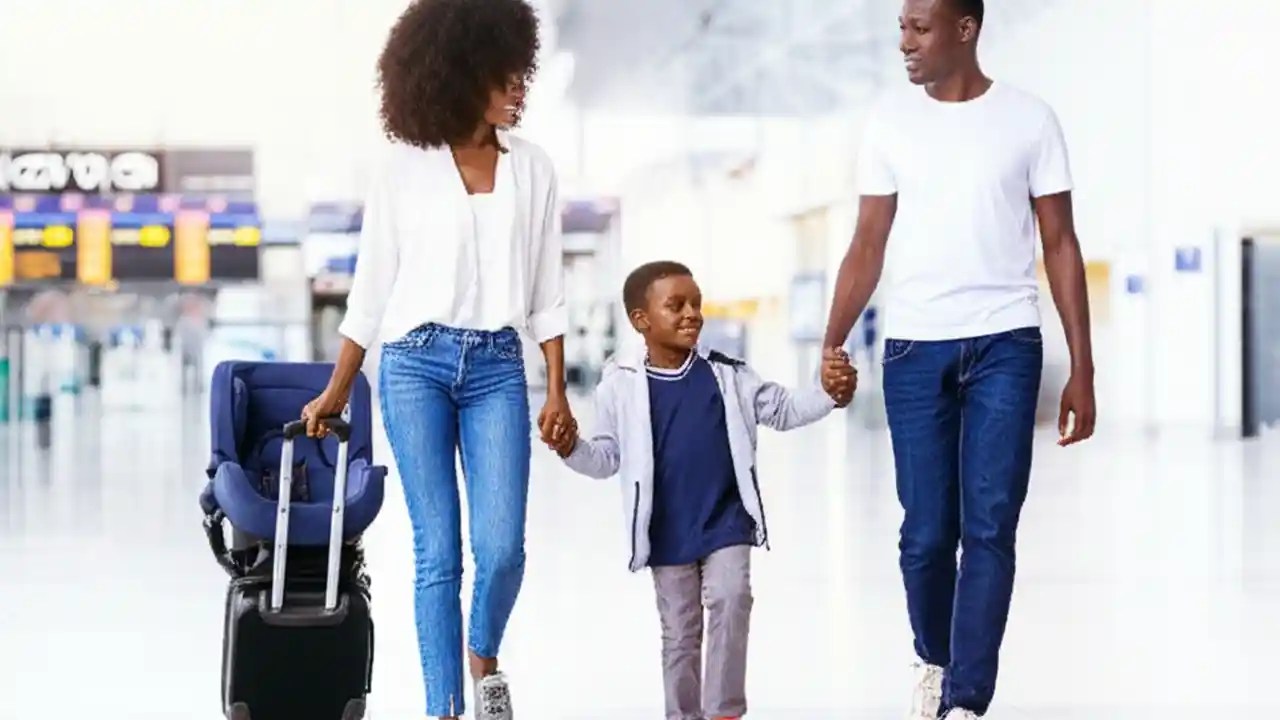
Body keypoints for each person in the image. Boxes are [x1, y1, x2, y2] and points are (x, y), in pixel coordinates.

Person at [820, 1, 1096, 718]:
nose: (904, 42)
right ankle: (934, 661)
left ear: (965, 29)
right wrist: (832, 339)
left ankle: (967, 701)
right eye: (902, 28)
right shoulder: (888, 122)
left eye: (920, 28)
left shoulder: (1030, 120)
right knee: (925, 534)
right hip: (915, 348)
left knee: (991, 526)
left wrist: (1083, 367)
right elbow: (867, 242)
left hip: (1007, 341)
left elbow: (1060, 244)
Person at [299, 1, 573, 718]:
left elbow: (547, 292)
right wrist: (338, 388)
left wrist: (556, 390)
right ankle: (443, 708)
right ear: (456, 72)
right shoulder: (403, 168)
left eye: (522, 74)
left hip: (497, 367)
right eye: (503, 77)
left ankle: (483, 653)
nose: (519, 88)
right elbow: (369, 290)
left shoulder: (534, 168)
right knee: (438, 554)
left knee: (503, 547)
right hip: (414, 366)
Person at [550, 261, 856, 720]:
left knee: (732, 597)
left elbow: (784, 409)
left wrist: (829, 393)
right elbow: (607, 457)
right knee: (680, 633)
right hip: (666, 531)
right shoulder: (620, 386)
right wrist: (571, 447)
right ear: (641, 320)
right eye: (676, 306)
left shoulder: (727, 373)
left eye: (696, 304)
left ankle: (724, 711)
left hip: (726, 521)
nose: (692, 314)